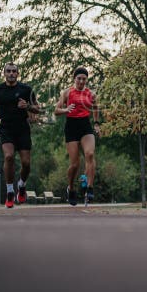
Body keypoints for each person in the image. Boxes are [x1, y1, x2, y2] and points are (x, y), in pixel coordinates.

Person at [0, 62, 41, 208]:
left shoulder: (26, 89)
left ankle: (22, 185)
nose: (11, 73)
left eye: (14, 71)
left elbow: (38, 108)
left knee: (26, 163)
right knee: (9, 156)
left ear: (17, 73)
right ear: (4, 73)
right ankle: (10, 191)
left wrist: (28, 106)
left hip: (23, 128)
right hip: (5, 128)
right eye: (8, 71)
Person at [54, 66, 100, 206]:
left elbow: (96, 107)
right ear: (74, 79)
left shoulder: (91, 94)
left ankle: (90, 188)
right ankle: (71, 189)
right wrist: (66, 109)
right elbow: (56, 110)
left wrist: (97, 123)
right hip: (71, 126)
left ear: (87, 80)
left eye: (84, 79)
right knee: (75, 164)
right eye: (79, 78)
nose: (81, 81)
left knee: (90, 154)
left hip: (85, 125)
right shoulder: (67, 92)